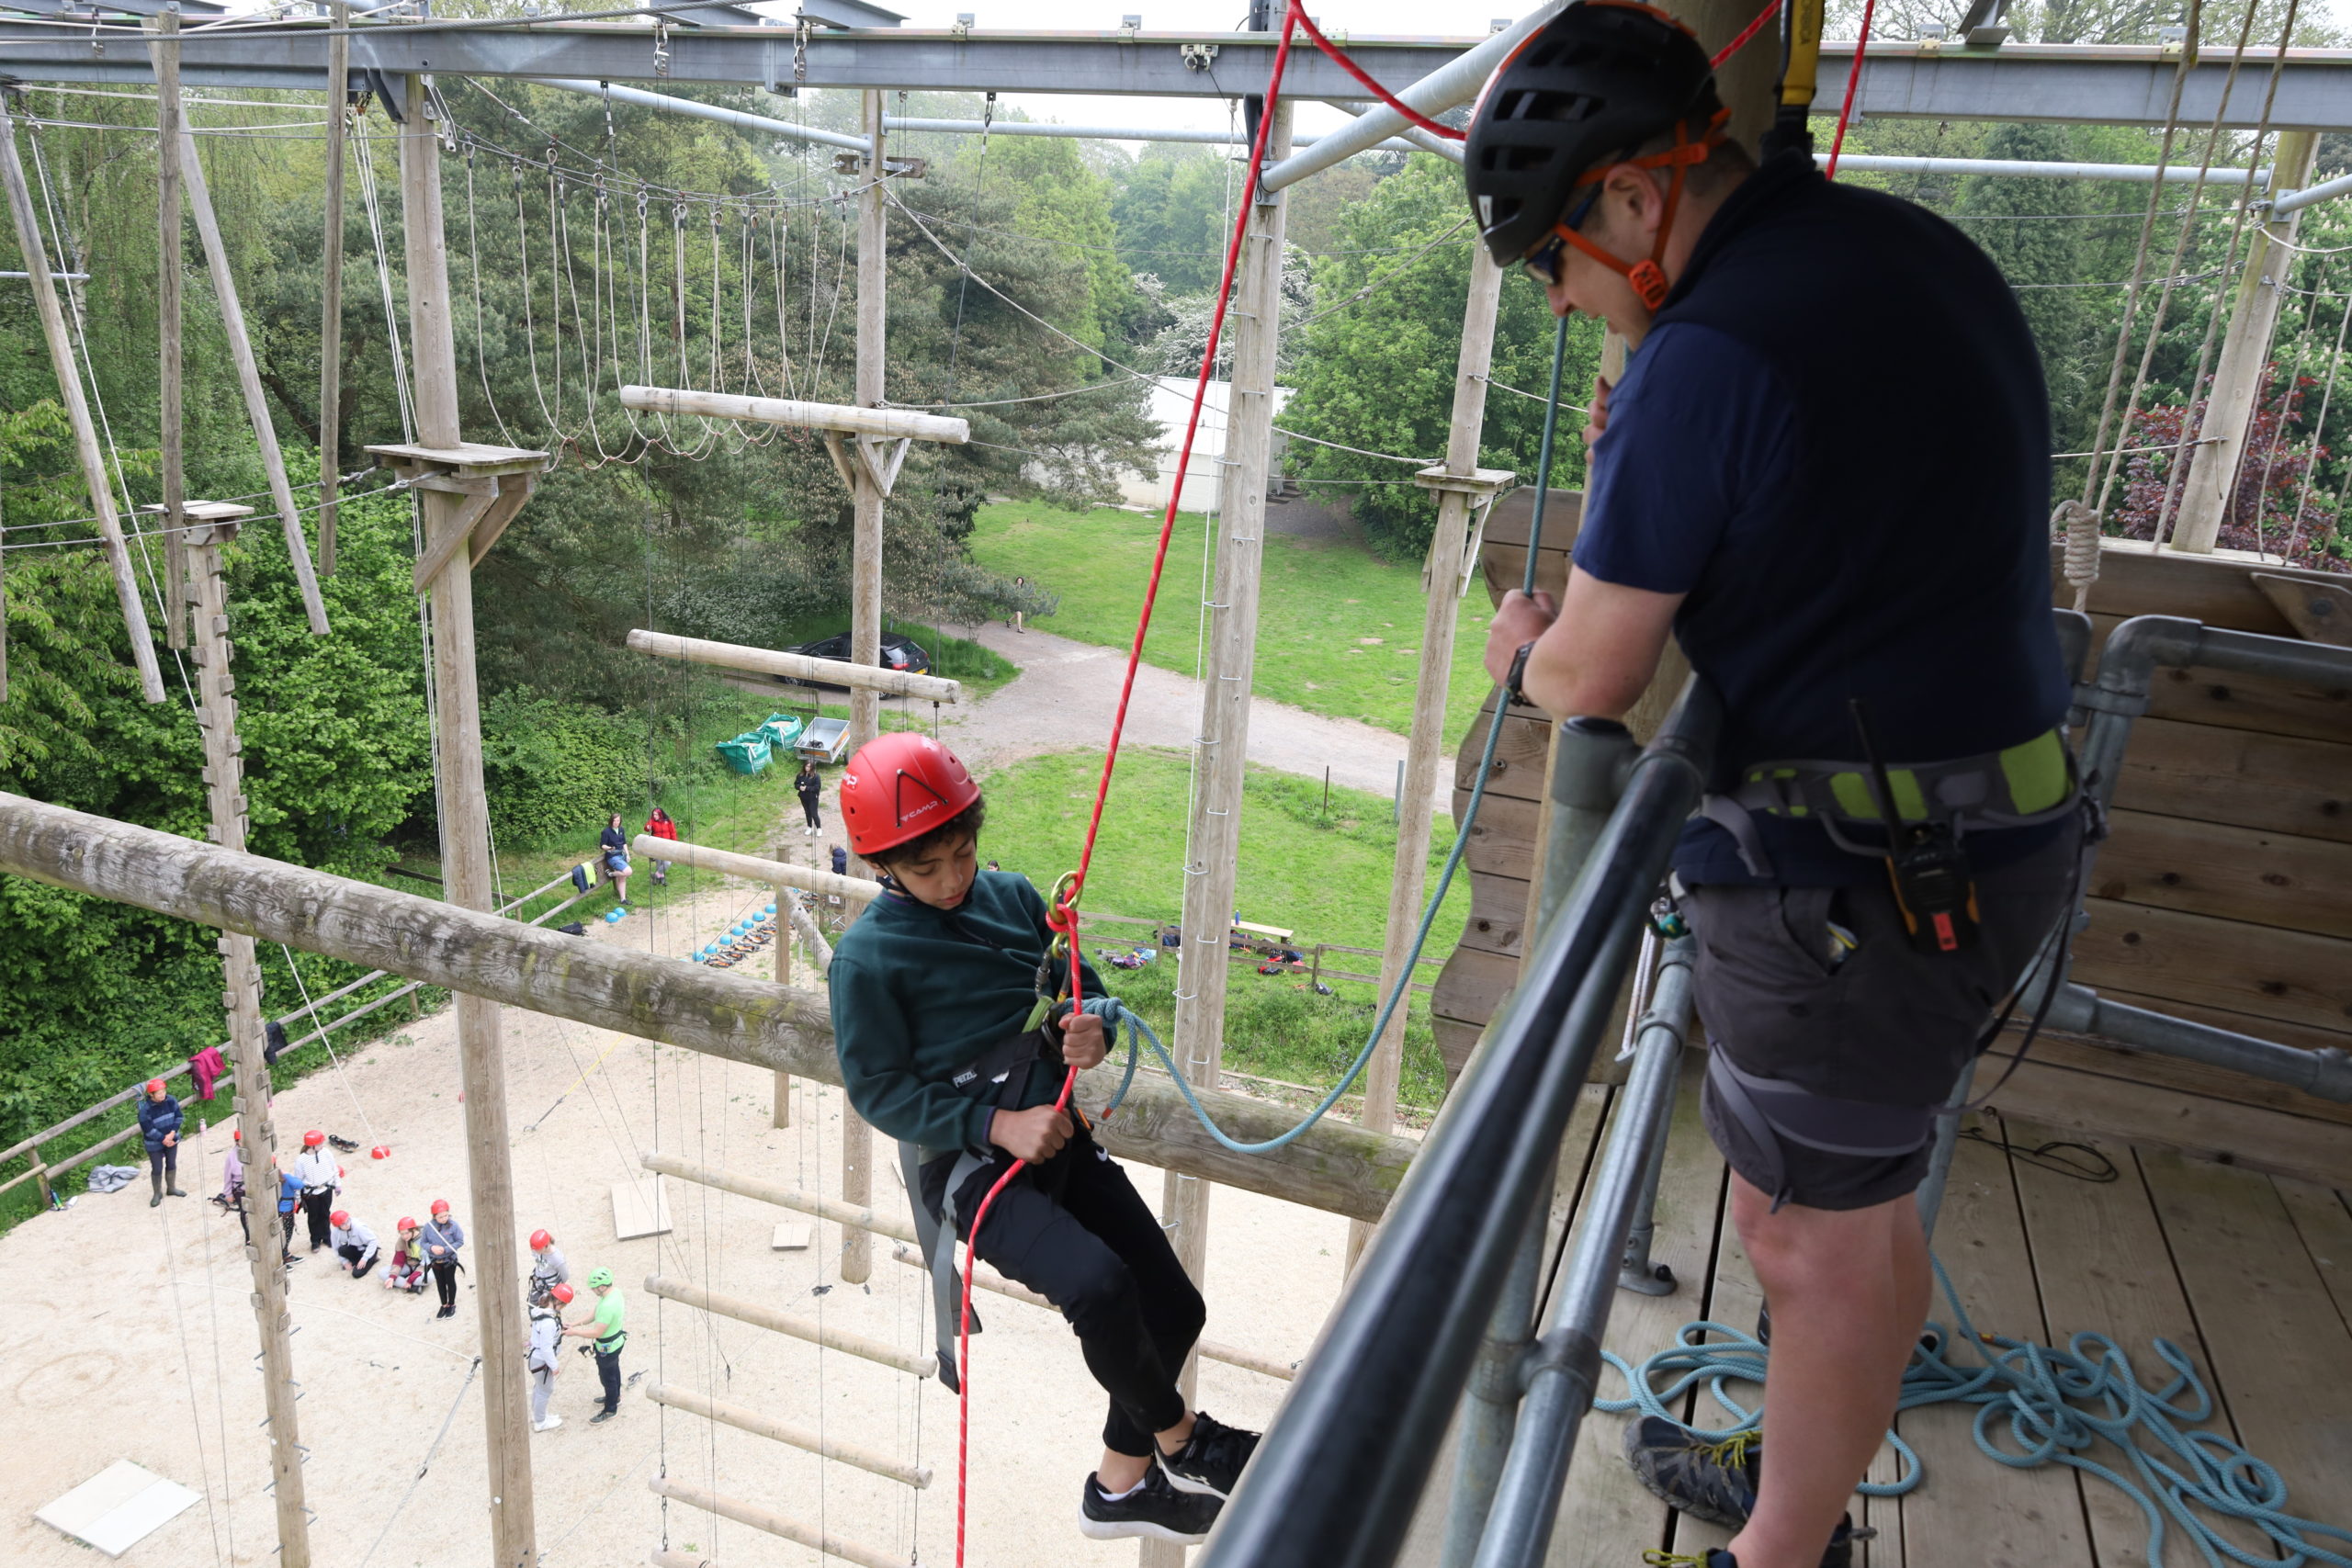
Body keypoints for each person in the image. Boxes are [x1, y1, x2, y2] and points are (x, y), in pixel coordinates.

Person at [1464, 11, 2085, 1568]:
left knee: (1811, 1238)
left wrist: (1522, 647)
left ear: (1629, 201)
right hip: (1964, 825)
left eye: (1554, 254)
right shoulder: (1896, 254)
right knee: (1835, 1210)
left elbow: (1599, 671)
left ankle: (1780, 1548)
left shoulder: (1718, 348)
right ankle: (1798, 1480)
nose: (1561, 294)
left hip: (1865, 877)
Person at [827, 731, 1252, 1544]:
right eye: (927, 868)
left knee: (1173, 1304)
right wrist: (994, 1125)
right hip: (975, 1163)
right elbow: (878, 1090)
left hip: (1050, 1126)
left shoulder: (1014, 897)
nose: (952, 878)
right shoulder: (868, 960)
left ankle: (1120, 1488)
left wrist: (1084, 1023)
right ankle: (1184, 1440)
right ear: (882, 866)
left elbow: (1071, 983)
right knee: (1096, 1284)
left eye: (962, 851)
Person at [561, 1268, 627, 1423]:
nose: (592, 1290)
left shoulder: (607, 1306)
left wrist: (575, 1332)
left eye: (594, 1288)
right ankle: (615, 1396)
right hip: (617, 1341)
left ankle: (610, 1409)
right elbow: (594, 1313)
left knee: (607, 1377)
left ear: (602, 1286)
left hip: (607, 1346)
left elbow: (597, 1333)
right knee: (614, 1370)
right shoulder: (614, 1293)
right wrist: (575, 1324)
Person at [528, 1282, 571, 1432]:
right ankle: (540, 1422)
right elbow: (546, 1349)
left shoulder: (542, 1312)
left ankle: (537, 1414)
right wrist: (554, 1366)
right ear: (559, 1302)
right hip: (542, 1360)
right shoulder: (549, 1322)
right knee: (545, 1390)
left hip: (536, 1358)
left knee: (539, 1387)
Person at [137, 1078, 186, 1209]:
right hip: (154, 1144)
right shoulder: (145, 1110)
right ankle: (157, 1193)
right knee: (157, 1168)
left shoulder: (171, 1100)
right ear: (151, 1095)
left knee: (171, 1163)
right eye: (159, 1093)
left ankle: (171, 1188)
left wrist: (172, 1133)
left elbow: (179, 1116)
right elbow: (147, 1128)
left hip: (172, 1138)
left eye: (163, 1091)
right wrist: (163, 1139)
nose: (162, 1095)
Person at [291, 1129, 340, 1253]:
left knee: (325, 1213)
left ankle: (327, 1237)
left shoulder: (326, 1153)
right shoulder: (301, 1160)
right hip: (311, 1193)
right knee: (313, 1217)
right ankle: (315, 1240)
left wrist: (337, 1184)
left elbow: (334, 1168)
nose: (322, 1146)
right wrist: (298, 1197)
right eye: (319, 1144)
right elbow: (298, 1179)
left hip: (326, 1188)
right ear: (311, 1146)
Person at [422, 1199, 467, 1318]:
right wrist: (432, 1248)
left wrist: (446, 1249)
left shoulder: (454, 1225)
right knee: (440, 1283)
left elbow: (460, 1241)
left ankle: (452, 1304)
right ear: (434, 1216)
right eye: (440, 1217)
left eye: (446, 1215)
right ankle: (444, 1304)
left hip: (449, 1259)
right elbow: (423, 1243)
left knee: (450, 1281)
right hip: (435, 1260)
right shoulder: (428, 1227)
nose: (444, 1219)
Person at [383, 1216, 430, 1293]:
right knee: (382, 1273)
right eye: (402, 1234)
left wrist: (410, 1279)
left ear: (414, 1230)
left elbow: (425, 1264)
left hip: (425, 1268)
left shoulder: (425, 1238)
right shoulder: (401, 1241)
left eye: (407, 1233)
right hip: (409, 1266)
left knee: (430, 1278)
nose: (404, 1236)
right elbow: (398, 1261)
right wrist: (392, 1277)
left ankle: (406, 1283)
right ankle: (413, 1286)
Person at [329, 1210, 380, 1278]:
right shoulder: (335, 1232)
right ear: (338, 1226)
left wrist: (365, 1258)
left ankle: (373, 1258)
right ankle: (358, 1261)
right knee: (341, 1250)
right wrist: (345, 1262)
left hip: (367, 1249)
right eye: (343, 1224)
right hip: (355, 1247)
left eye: (347, 1221)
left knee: (356, 1274)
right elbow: (336, 1248)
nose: (347, 1225)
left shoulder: (359, 1227)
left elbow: (373, 1241)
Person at [219, 1128, 249, 1242]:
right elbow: (227, 1177)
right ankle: (248, 1236)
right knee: (244, 1212)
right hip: (240, 1188)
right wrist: (228, 1193)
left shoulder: (252, 1150)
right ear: (237, 1141)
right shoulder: (231, 1156)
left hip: (253, 1186)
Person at [599, 814, 632, 906]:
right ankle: (610, 874)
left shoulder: (621, 829)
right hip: (612, 857)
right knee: (628, 871)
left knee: (622, 877)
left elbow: (624, 843)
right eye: (614, 821)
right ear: (611, 821)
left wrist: (628, 854)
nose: (616, 823)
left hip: (622, 855)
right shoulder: (606, 831)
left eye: (618, 821)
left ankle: (623, 899)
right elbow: (602, 845)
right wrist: (609, 848)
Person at [275, 1165, 303, 1268]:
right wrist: (287, 1174)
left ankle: (284, 1255)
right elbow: (299, 1184)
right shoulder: (285, 1177)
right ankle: (283, 1256)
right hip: (285, 1210)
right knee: (286, 1234)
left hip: (274, 1210)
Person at [528, 1229, 569, 1298]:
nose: (534, 1251)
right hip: (538, 1284)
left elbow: (565, 1276)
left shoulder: (557, 1258)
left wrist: (554, 1288)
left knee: (545, 1308)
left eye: (537, 1249)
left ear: (546, 1246)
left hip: (549, 1289)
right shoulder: (537, 1251)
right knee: (533, 1307)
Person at [645, 807, 677, 886]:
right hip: (657, 845)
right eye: (653, 814)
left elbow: (673, 832)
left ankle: (655, 875)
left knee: (667, 863)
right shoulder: (652, 821)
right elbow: (647, 827)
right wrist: (647, 827)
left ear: (660, 815)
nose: (654, 816)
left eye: (656, 815)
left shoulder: (668, 821)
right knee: (659, 862)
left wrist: (674, 843)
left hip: (667, 844)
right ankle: (661, 879)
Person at [795, 759, 824, 837]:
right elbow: (796, 784)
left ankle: (819, 828)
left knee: (814, 814)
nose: (807, 768)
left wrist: (807, 788)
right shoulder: (800, 775)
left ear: (812, 767)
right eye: (806, 766)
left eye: (809, 767)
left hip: (813, 798)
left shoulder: (816, 776)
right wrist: (799, 787)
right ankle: (809, 827)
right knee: (807, 813)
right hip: (803, 798)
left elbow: (817, 788)